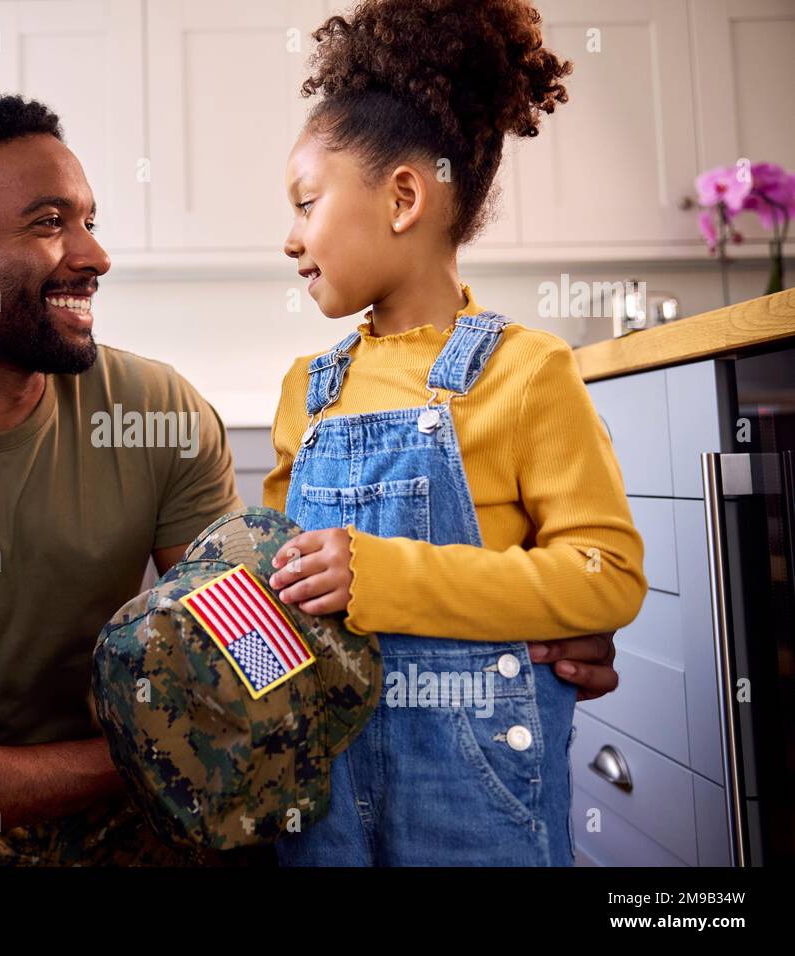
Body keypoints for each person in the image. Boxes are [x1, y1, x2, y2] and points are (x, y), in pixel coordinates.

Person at [0, 92, 625, 866]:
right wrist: (152, 759)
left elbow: (266, 630)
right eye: (50, 224)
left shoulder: (156, 408)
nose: (94, 254)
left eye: (90, 219)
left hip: (137, 818)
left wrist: (515, 621)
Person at [264, 0, 647, 866]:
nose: (289, 239)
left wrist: (384, 574)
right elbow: (278, 585)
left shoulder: (528, 372)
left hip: (476, 808)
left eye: (305, 204)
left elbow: (607, 577)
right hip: (319, 803)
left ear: (404, 196)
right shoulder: (305, 393)